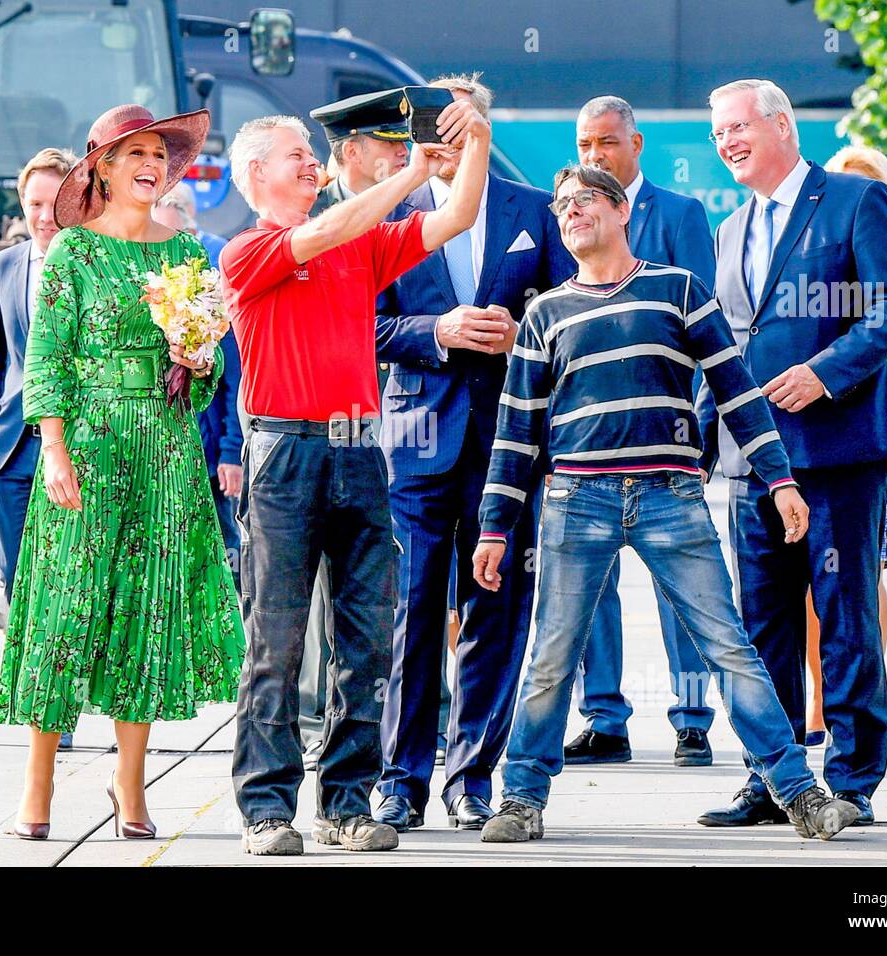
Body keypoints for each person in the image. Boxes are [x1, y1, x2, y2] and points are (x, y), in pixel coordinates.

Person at [473, 164, 860, 844]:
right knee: (552, 656)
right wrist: (494, 529)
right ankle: (521, 800)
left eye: (585, 200)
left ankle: (799, 792)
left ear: (623, 211)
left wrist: (780, 478)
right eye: (561, 205)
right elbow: (516, 431)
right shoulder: (543, 314)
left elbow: (737, 392)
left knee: (730, 649)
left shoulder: (678, 290)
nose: (569, 212)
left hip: (672, 497)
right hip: (574, 502)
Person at [221, 99, 491, 855]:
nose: (313, 162)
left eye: (313, 153)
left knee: (367, 641)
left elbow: (459, 215)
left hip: (360, 449)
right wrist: (409, 173)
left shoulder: (358, 241)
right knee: (274, 641)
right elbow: (328, 229)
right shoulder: (249, 249)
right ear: (254, 175)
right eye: (295, 155)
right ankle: (268, 809)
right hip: (285, 452)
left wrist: (477, 141)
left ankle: (344, 802)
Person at [0, 104, 244, 842]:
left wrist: (199, 359)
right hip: (88, 448)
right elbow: (47, 359)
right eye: (135, 151)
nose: (152, 163)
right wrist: (57, 451)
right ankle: (37, 785)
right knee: (64, 612)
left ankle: (128, 784)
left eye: (161, 154)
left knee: (146, 614)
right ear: (100, 164)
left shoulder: (189, 252)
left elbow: (211, 368)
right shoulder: (71, 251)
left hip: (164, 450)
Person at [695, 80, 887, 830]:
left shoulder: (855, 203)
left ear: (782, 125)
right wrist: (702, 443)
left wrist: (826, 372)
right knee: (761, 627)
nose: (725, 141)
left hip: (838, 452)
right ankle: (776, 779)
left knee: (843, 616)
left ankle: (852, 783)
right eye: (717, 132)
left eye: (737, 127)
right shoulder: (729, 233)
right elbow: (722, 349)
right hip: (753, 462)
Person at [371, 74, 574, 832]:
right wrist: (437, 332)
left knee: (498, 608)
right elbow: (363, 328)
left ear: (484, 128)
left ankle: (472, 776)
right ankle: (401, 779)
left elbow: (568, 316)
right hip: (417, 443)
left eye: (463, 123)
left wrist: (526, 337)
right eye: (435, 122)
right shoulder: (391, 211)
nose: (448, 135)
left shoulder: (534, 212)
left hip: (508, 444)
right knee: (415, 610)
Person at [567, 94, 719, 767]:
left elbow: (708, 334)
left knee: (681, 585)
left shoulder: (681, 216)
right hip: (590, 445)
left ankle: (692, 719)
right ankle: (605, 719)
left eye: (605, 142)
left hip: (666, 440)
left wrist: (703, 435)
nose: (593, 156)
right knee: (591, 588)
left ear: (636, 145)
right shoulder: (569, 211)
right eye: (584, 146)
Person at [802, 145, 887, 749]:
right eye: (842, 184)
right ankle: (816, 699)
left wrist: (841, 359)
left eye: (867, 186)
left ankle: (857, 700)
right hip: (809, 428)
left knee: (865, 567)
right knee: (809, 573)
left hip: (882, 430)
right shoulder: (806, 255)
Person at [294, 88, 414, 772]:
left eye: (403, 146)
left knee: (373, 597)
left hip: (378, 425)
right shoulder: (312, 217)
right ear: (349, 152)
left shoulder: (406, 210)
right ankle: (313, 721)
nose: (401, 154)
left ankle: (376, 732)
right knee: (309, 599)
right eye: (388, 145)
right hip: (306, 428)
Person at [0, 147, 77, 749]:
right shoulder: (6, 267)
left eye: (54, 203)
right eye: (33, 204)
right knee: (15, 581)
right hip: (8, 453)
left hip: (74, 453)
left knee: (63, 581)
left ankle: (57, 710)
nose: (43, 216)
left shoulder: (93, 266)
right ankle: (38, 704)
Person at [153, 184, 242, 592]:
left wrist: (230, 451)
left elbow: (233, 374)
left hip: (204, 449)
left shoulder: (206, 293)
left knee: (223, 555)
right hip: (153, 447)